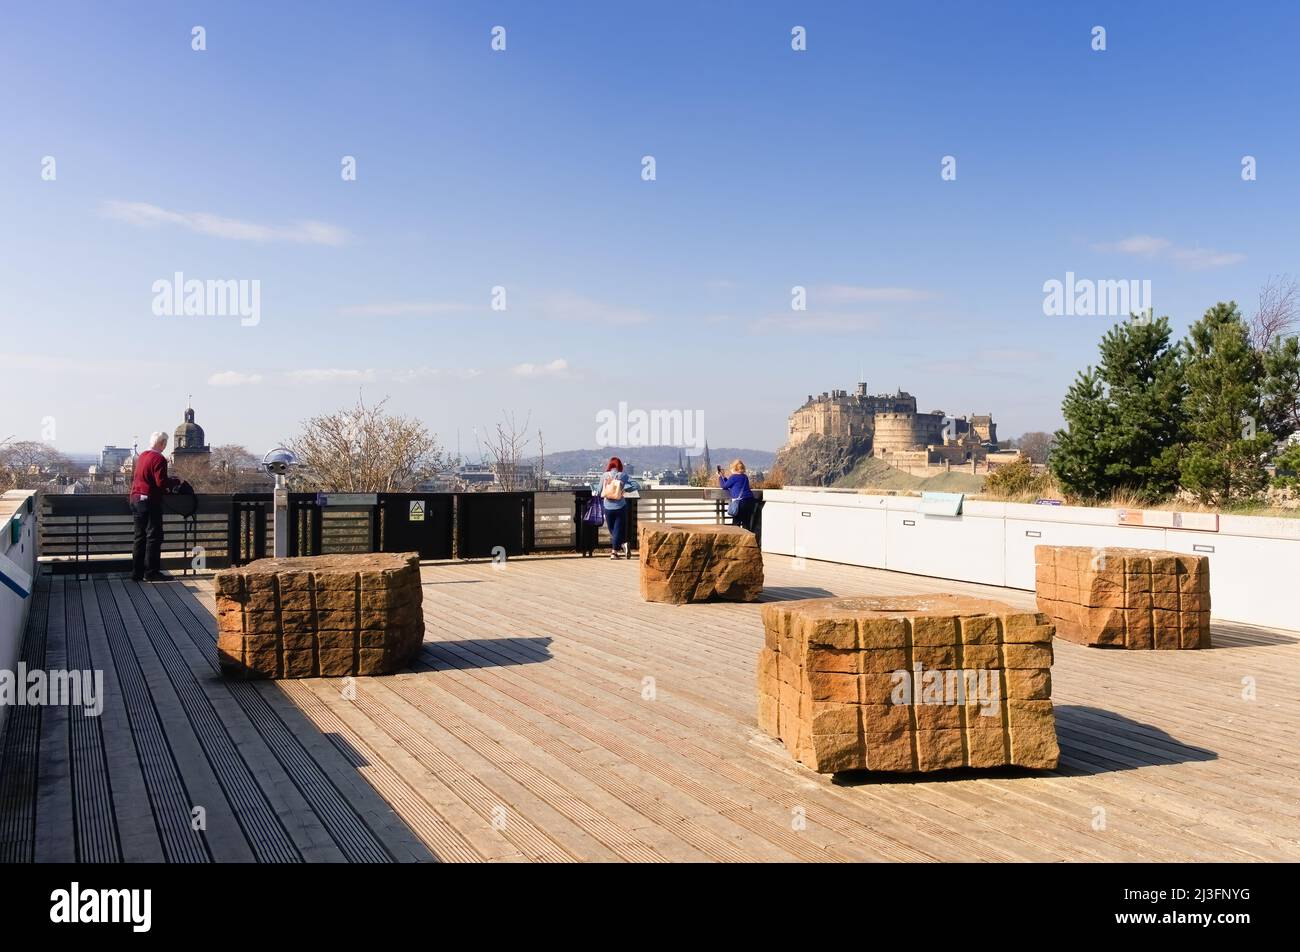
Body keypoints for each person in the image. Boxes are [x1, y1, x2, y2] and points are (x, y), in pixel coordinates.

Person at [129, 431, 181, 582]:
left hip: (135, 499)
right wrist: (176, 482)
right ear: (162, 443)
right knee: (154, 537)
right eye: (165, 443)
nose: (165, 446)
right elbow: (161, 483)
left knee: (139, 537)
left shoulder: (142, 456)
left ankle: (136, 572)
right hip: (149, 501)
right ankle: (151, 572)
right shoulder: (159, 458)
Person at [593, 457, 639, 559]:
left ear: (609, 465)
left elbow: (599, 490)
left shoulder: (605, 475)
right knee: (617, 529)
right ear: (620, 466)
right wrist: (625, 490)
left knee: (612, 529)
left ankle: (614, 552)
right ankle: (623, 545)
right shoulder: (623, 475)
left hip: (607, 507)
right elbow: (637, 485)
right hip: (620, 506)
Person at [718, 459, 756, 529]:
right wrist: (724, 477)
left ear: (734, 468)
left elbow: (724, 486)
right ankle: (747, 538)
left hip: (741, 503)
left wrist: (720, 477)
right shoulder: (745, 477)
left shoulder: (733, 477)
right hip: (750, 501)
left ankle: (736, 539)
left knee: (736, 525)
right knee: (746, 525)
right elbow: (731, 483)